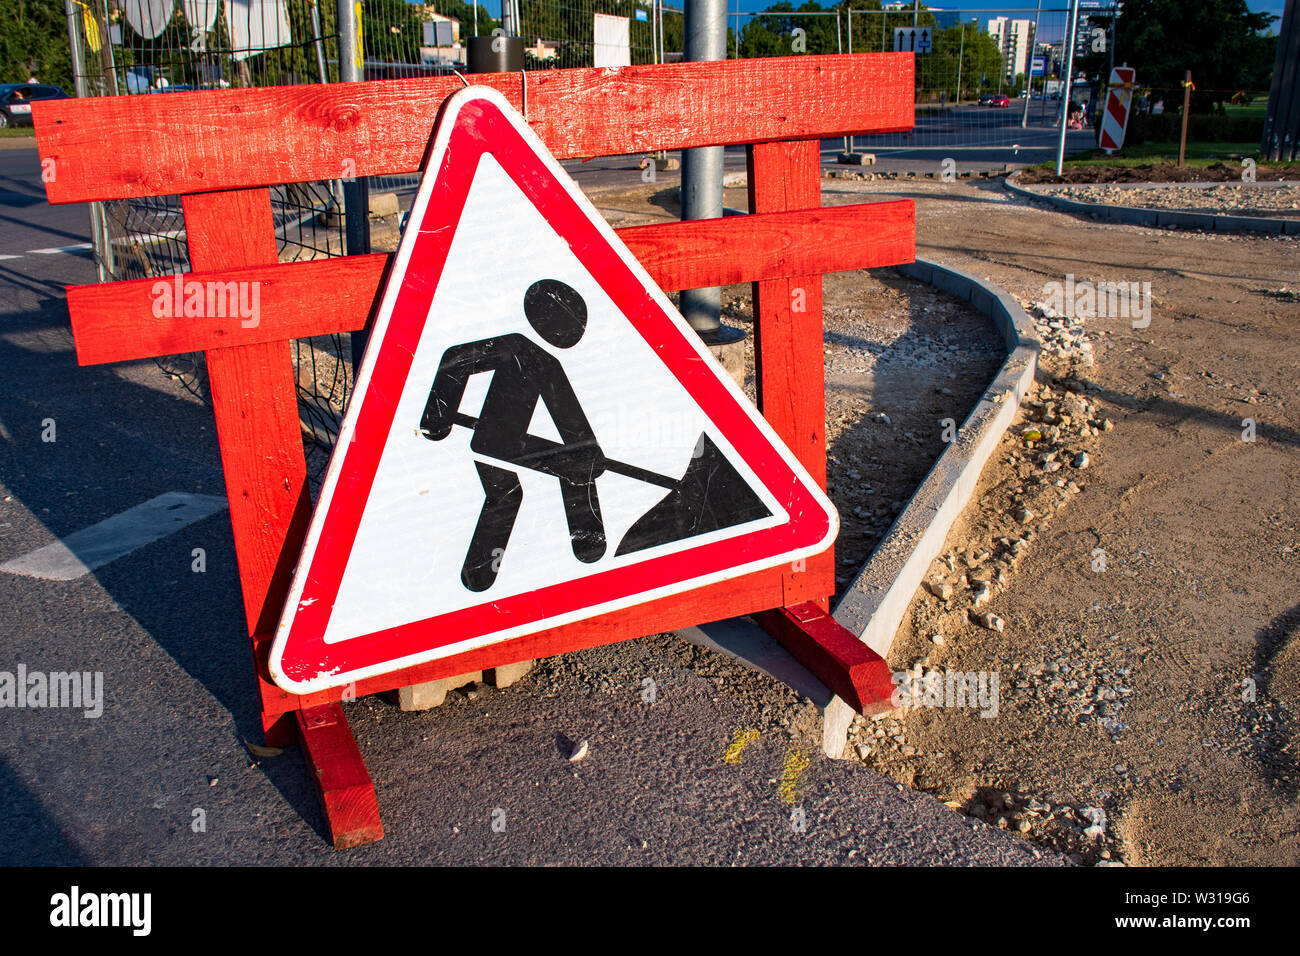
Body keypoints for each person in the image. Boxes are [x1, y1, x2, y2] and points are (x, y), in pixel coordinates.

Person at [420, 279, 607, 591]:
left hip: (503, 440)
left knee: (519, 490)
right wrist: (437, 416)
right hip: (495, 440)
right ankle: (585, 544)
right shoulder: (517, 348)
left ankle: (584, 547)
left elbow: (568, 416)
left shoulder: (545, 361)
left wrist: (587, 451)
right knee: (512, 493)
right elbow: (456, 358)